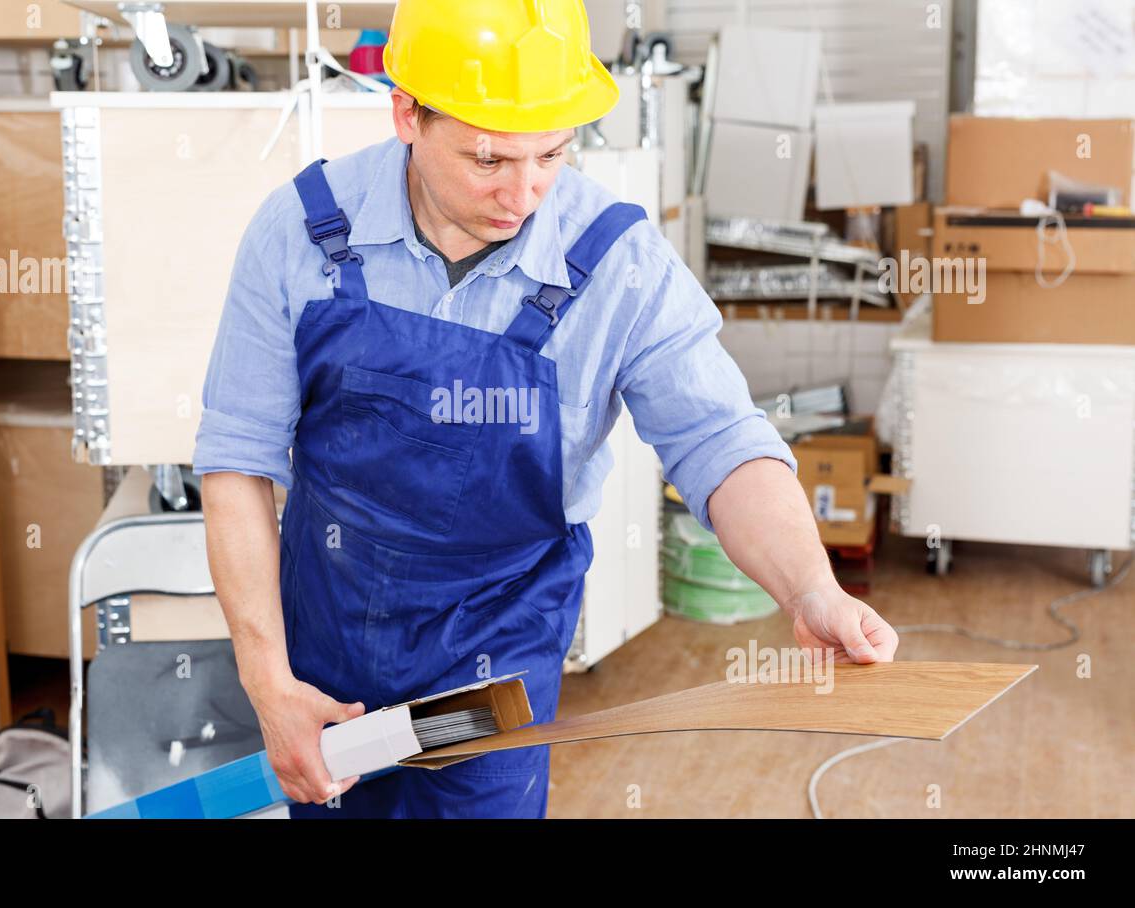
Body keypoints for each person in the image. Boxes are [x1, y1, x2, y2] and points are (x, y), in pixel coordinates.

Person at [194, 0, 899, 819]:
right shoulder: (301, 232)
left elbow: (719, 440)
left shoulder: (617, 261)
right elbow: (237, 460)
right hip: (327, 646)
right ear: (407, 114)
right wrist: (269, 682)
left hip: (488, 667)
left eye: (552, 154)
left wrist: (811, 589)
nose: (523, 195)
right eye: (488, 159)